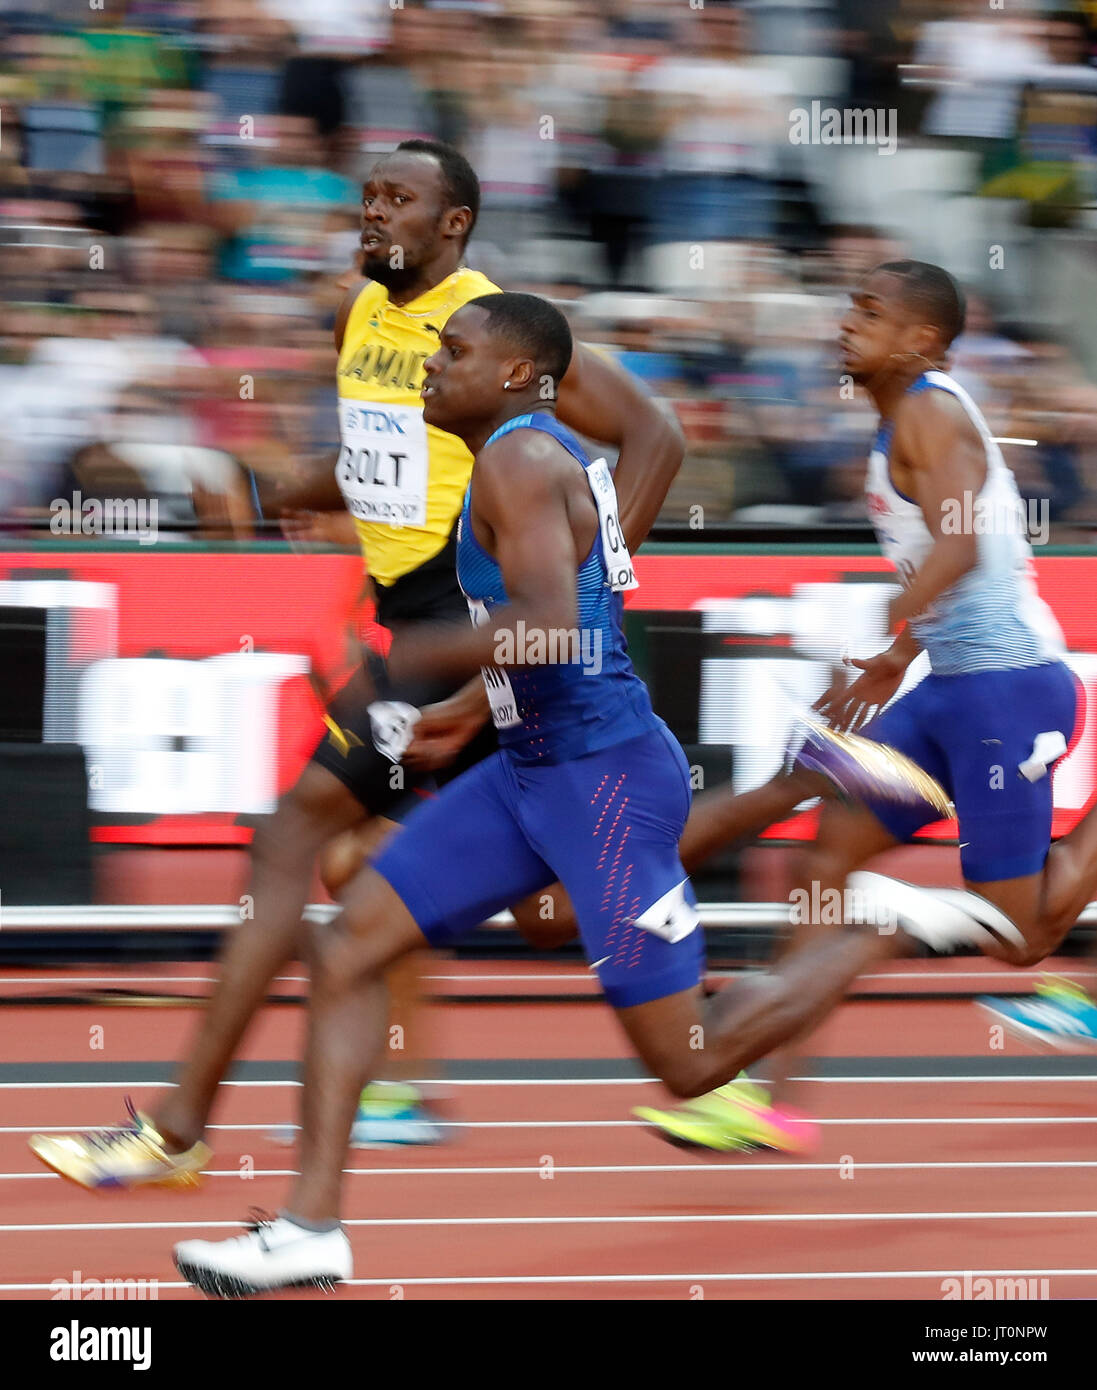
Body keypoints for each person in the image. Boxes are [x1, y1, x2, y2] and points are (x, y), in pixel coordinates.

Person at [161, 291, 953, 1295]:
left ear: (512, 375)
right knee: (348, 939)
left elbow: (553, 628)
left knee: (693, 1063)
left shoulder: (518, 460)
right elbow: (563, 621)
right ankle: (310, 1228)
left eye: (448, 353)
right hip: (529, 768)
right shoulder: (524, 459)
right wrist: (462, 705)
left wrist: (429, 648)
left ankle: (880, 922)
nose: (426, 368)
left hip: (602, 782)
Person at [26, 136, 688, 1181]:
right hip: (430, 634)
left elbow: (654, 435)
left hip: (455, 620)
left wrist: (592, 587)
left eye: (399, 199)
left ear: (453, 222)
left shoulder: (486, 321)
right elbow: (372, 456)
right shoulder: (364, 315)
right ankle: (704, 1009)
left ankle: (175, 1129)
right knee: (548, 913)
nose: (372, 212)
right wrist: (271, 493)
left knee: (291, 842)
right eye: (368, 195)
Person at [639, 260, 1097, 1152]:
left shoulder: (927, 411)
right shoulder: (899, 422)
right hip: (950, 694)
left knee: (1021, 936)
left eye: (868, 313)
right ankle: (761, 1099)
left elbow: (963, 542)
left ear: (919, 339)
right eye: (848, 309)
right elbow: (966, 562)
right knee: (824, 863)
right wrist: (904, 659)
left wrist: (890, 651)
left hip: (1011, 690)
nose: (845, 325)